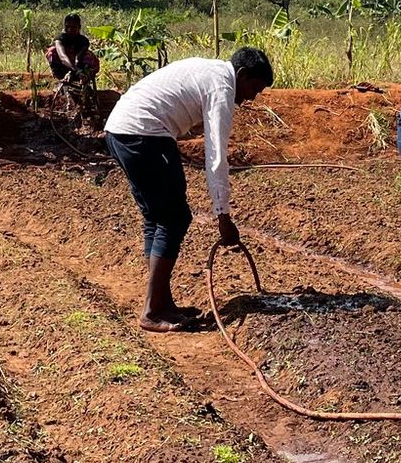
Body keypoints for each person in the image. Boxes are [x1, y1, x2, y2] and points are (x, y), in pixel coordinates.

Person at [103, 47, 274, 332]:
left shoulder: (211, 71)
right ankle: (153, 310)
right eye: (253, 88)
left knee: (157, 218)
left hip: (121, 130)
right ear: (241, 75)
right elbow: (216, 155)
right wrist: (223, 216)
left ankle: (161, 302)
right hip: (143, 132)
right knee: (175, 218)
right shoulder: (222, 87)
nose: (251, 98)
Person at [46, 13, 102, 85]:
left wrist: (77, 72)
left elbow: (78, 59)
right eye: (67, 26)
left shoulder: (83, 41)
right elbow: (63, 57)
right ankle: (60, 76)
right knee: (51, 51)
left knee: (89, 56)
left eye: (73, 27)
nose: (70, 29)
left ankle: (85, 78)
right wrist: (75, 70)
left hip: (80, 65)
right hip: (65, 66)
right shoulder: (60, 39)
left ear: (79, 27)